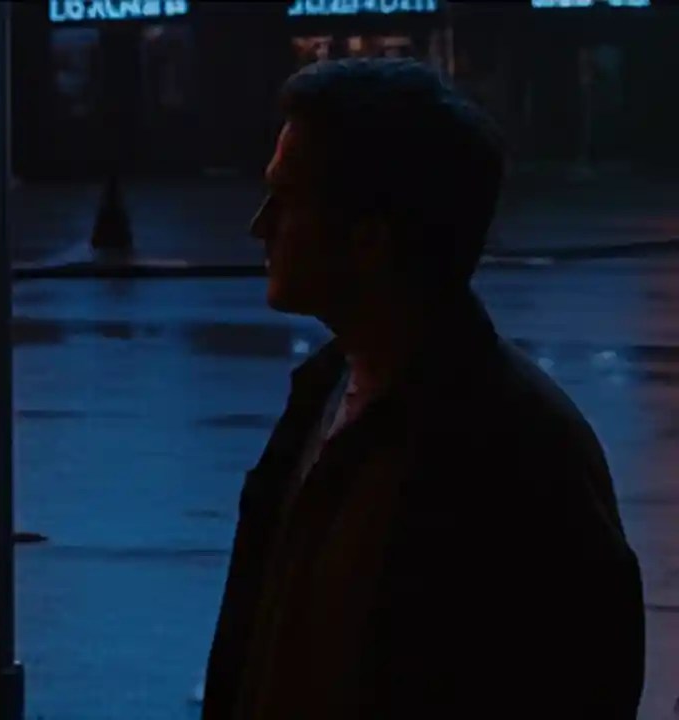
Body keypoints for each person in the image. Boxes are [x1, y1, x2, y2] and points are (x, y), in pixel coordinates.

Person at [202, 59, 644, 719]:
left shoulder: (517, 452)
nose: (259, 226)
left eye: (286, 198)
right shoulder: (324, 394)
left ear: (369, 239)